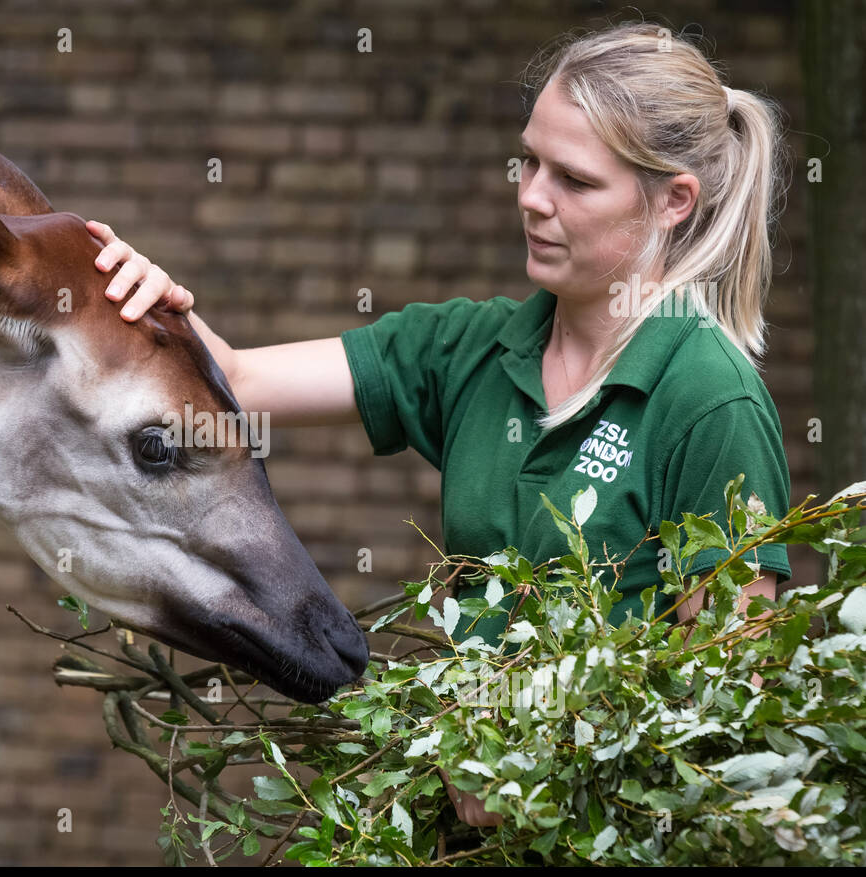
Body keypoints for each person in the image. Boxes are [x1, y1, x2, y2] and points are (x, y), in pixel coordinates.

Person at [83, 22, 793, 828]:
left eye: (575, 180)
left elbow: (732, 706)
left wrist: (542, 777)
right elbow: (236, 382)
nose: (530, 194)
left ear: (673, 202)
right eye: (529, 161)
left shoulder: (708, 399)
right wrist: (140, 300)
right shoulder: (471, 348)